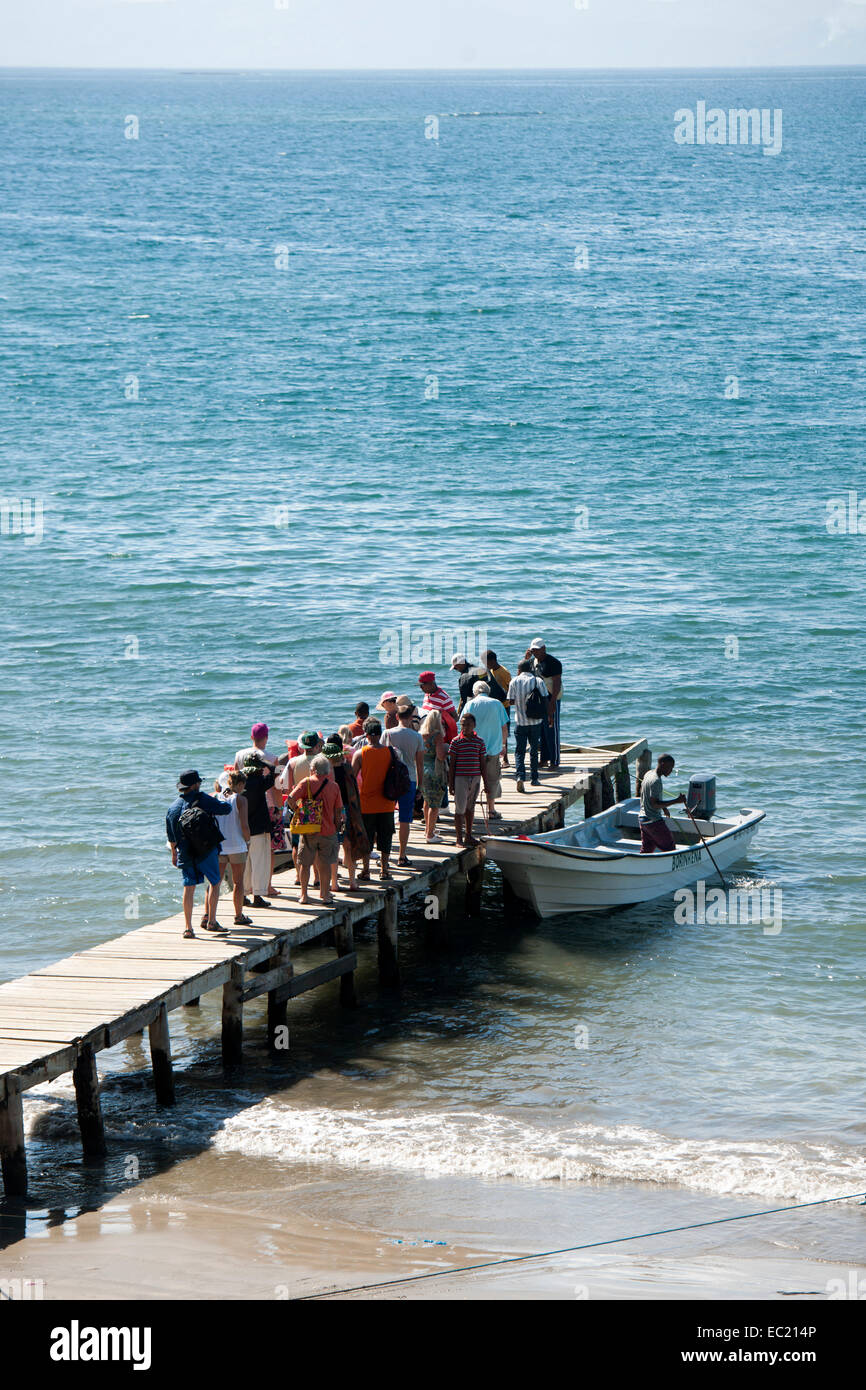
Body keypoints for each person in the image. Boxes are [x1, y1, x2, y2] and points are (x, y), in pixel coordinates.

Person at [166, 770, 232, 938]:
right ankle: (212, 921)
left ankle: (188, 928)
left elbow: (172, 836)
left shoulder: (173, 807)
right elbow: (226, 809)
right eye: (199, 783)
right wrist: (225, 797)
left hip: (185, 852)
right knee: (214, 883)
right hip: (206, 849)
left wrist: (174, 854)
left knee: (188, 888)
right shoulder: (203, 798)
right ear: (195, 785)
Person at [285, 754, 344, 905]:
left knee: (305, 864)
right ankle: (324, 895)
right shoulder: (334, 786)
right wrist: (337, 828)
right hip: (328, 830)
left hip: (309, 829)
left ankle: (304, 895)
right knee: (325, 864)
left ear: (313, 770)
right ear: (328, 771)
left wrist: (299, 810)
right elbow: (338, 812)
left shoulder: (306, 783)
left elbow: (290, 799)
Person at [234, 727, 276, 908]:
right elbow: (274, 772)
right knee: (260, 861)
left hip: (241, 825)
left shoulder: (241, 787)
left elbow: (234, 775)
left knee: (245, 863)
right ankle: (258, 895)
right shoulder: (261, 784)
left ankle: (243, 894)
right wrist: (264, 764)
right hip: (259, 826)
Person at [352, 717, 396, 881]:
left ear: (366, 735)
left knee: (367, 838)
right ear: (380, 734)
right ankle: (384, 870)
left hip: (367, 803)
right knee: (386, 837)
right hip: (387, 802)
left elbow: (352, 778)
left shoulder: (360, 753)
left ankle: (366, 870)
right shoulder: (391, 752)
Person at [383, 696, 424, 866]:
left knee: (386, 817)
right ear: (411, 717)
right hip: (410, 780)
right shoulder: (417, 737)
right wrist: (420, 787)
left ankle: (385, 856)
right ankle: (402, 855)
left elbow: (382, 756)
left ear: (397, 717)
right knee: (405, 819)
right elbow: (419, 765)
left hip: (391, 779)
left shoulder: (388, 734)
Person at [324, 735, 368, 891]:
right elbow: (354, 790)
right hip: (347, 809)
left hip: (330, 810)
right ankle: (352, 882)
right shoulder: (347, 767)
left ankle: (334, 883)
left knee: (333, 847)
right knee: (348, 846)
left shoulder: (325, 770)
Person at [460, 680, 508, 819]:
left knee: (472, 781)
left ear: (475, 692)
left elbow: (462, 727)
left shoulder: (469, 704)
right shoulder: (497, 704)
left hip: (473, 749)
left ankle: (469, 810)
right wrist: (503, 745)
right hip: (493, 749)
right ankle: (491, 810)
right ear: (488, 691)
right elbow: (504, 727)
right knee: (492, 780)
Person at [216, 770, 253, 926]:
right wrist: (248, 841)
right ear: (240, 784)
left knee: (214, 882)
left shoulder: (215, 797)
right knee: (238, 882)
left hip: (219, 845)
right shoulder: (241, 800)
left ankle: (208, 915)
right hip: (237, 845)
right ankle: (238, 915)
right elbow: (244, 825)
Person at [507, 659, 550, 791]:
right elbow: (545, 699)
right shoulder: (538, 681)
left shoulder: (514, 681)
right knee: (533, 750)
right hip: (536, 722)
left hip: (520, 722)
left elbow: (511, 701)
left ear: (519, 670)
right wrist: (548, 716)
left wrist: (521, 702)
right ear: (531, 669)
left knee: (519, 751)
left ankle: (520, 777)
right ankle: (535, 778)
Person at [448, 712, 486, 848]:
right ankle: (459, 838)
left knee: (470, 808)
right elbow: (452, 765)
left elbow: (482, 764)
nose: (465, 727)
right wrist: (450, 783)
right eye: (463, 724)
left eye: (468, 725)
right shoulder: (456, 742)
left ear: (474, 725)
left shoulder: (479, 742)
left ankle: (468, 835)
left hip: (475, 778)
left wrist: (486, 784)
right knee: (460, 809)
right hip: (460, 778)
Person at [526, 638, 563, 770]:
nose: (535, 653)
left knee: (552, 729)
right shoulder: (532, 662)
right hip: (539, 701)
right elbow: (522, 674)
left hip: (551, 700)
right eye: (533, 651)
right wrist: (526, 659)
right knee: (541, 730)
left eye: (536, 650)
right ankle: (544, 759)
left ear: (543, 649)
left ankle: (555, 760)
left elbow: (557, 683)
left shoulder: (553, 663)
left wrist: (552, 703)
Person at [638, 754, 686, 853]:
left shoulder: (649, 774)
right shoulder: (656, 781)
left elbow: (649, 796)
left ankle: (642, 866)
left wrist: (664, 808)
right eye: (670, 767)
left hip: (643, 820)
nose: (671, 771)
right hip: (653, 821)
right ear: (663, 764)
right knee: (670, 848)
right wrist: (676, 801)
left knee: (647, 850)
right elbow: (654, 804)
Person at [420, 708, 448, 842]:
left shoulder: (421, 735)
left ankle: (427, 829)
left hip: (423, 771)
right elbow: (440, 756)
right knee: (435, 804)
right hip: (434, 772)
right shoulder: (437, 736)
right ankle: (430, 834)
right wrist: (447, 749)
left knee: (426, 801)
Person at [482, 648, 512, 764]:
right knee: (494, 730)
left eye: (486, 662)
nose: (485, 665)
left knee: (504, 731)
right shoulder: (491, 671)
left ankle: (505, 758)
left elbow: (511, 689)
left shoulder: (504, 672)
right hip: (493, 705)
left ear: (493, 660)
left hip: (504, 706)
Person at [418, 670, 458, 742]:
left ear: (431, 684)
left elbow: (455, 717)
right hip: (426, 735)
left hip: (438, 738)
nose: (420, 688)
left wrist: (441, 725)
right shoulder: (427, 694)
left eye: (422, 685)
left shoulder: (444, 697)